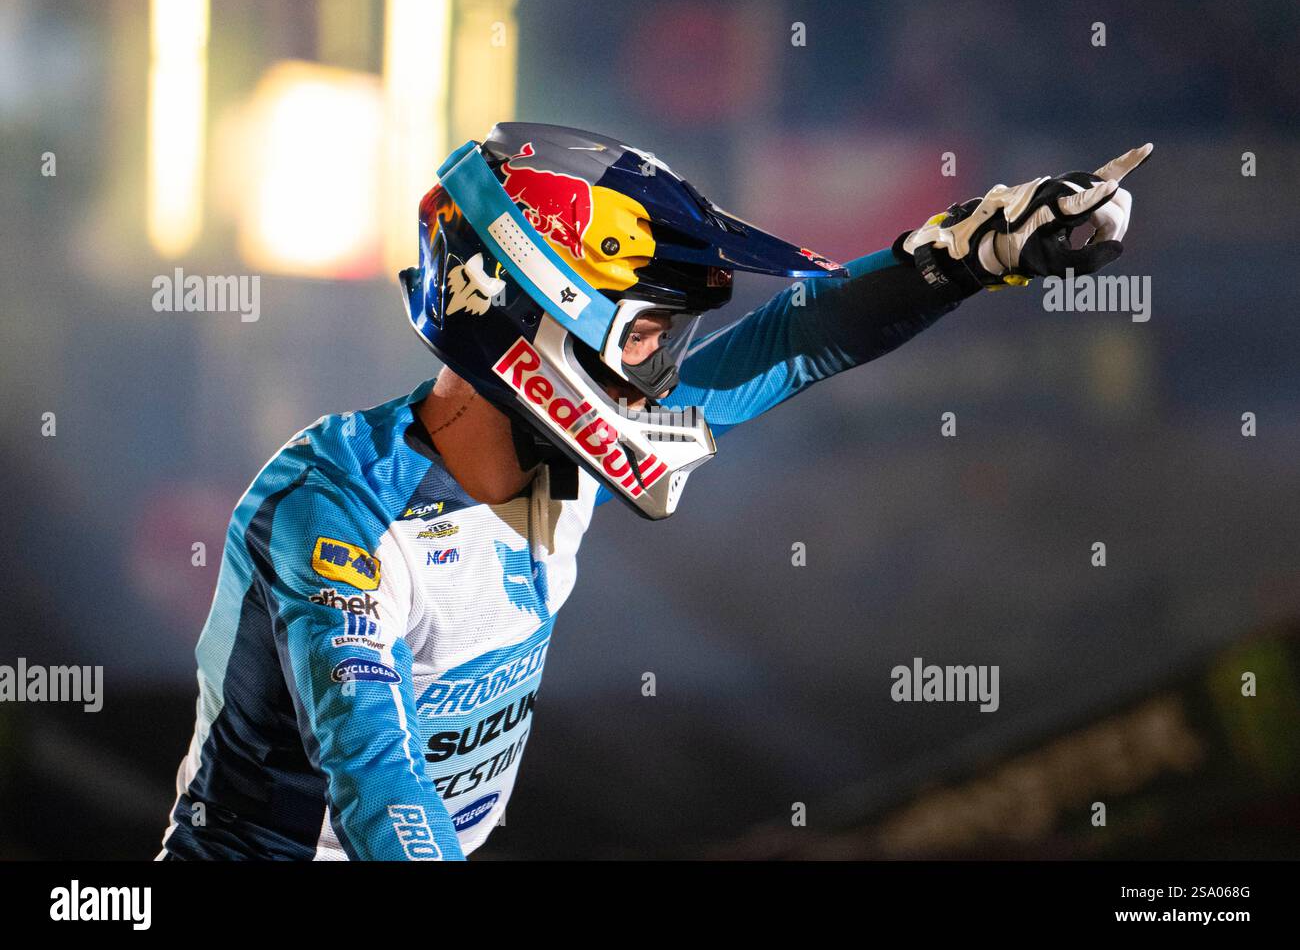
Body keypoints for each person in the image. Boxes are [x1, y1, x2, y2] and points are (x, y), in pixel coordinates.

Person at [159, 123, 1150, 860]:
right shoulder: (337, 508)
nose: (664, 368)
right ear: (538, 314)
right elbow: (374, 768)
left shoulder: (569, 452)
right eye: (646, 334)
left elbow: (789, 346)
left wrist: (965, 255)